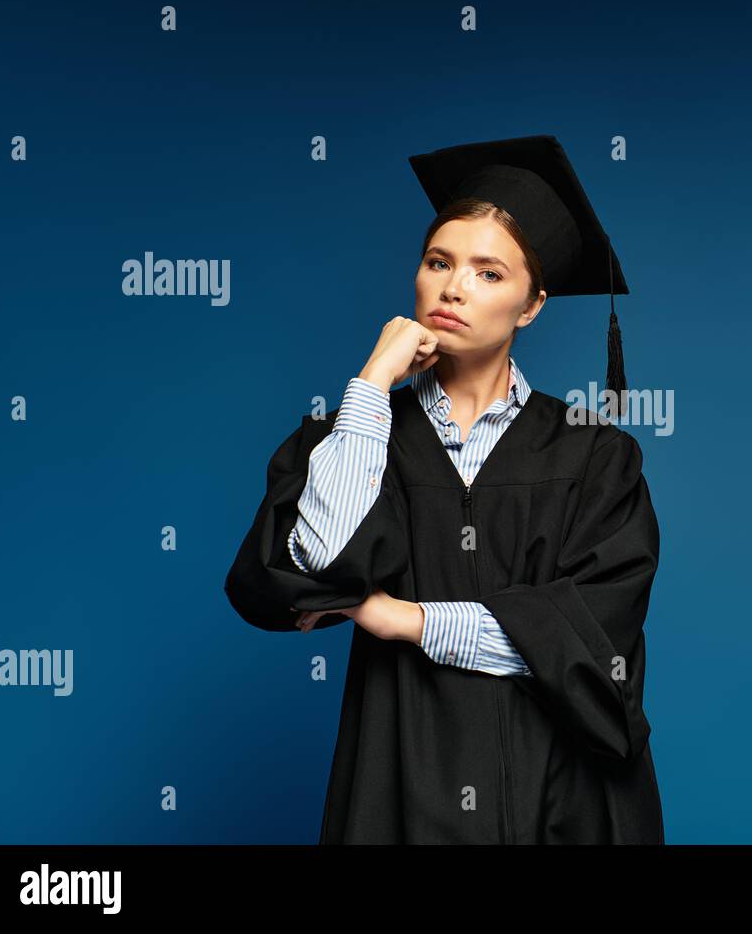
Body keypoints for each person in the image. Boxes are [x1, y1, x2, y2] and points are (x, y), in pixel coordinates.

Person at [223, 135, 664, 843]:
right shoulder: (355, 436)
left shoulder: (596, 457)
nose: (454, 288)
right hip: (396, 779)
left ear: (532, 306)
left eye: (489, 273)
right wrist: (370, 385)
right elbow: (312, 568)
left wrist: (405, 619)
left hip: (562, 799)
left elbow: (587, 640)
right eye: (438, 262)